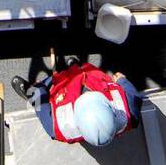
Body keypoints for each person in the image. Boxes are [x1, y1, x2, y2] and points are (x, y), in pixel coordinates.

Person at [12, 60, 142, 147]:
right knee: (80, 68)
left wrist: (39, 90)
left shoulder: (58, 128)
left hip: (64, 86)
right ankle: (74, 65)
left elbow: (41, 105)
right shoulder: (129, 114)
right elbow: (134, 96)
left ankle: (30, 91)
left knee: (38, 95)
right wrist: (122, 81)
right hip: (90, 75)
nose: (86, 93)